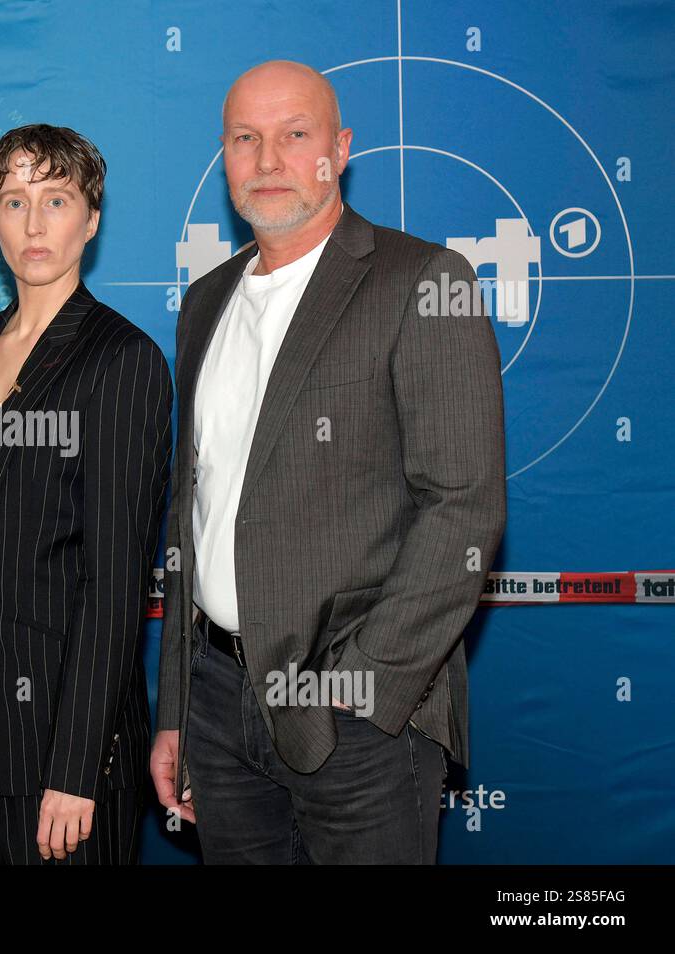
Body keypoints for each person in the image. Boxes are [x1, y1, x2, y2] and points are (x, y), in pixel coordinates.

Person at [151, 61, 506, 863]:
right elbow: (193, 511)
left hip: (358, 725)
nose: (268, 160)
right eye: (246, 139)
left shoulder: (421, 281)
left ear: (339, 150)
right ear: (224, 156)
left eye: (294, 135)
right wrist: (177, 706)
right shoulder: (206, 301)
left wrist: (363, 692)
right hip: (216, 702)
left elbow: (464, 507)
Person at [0, 124, 173, 864]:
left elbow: (116, 581)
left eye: (56, 199)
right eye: (14, 201)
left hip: (61, 754)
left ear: (91, 219)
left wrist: (74, 771)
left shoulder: (122, 358)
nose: (34, 224)